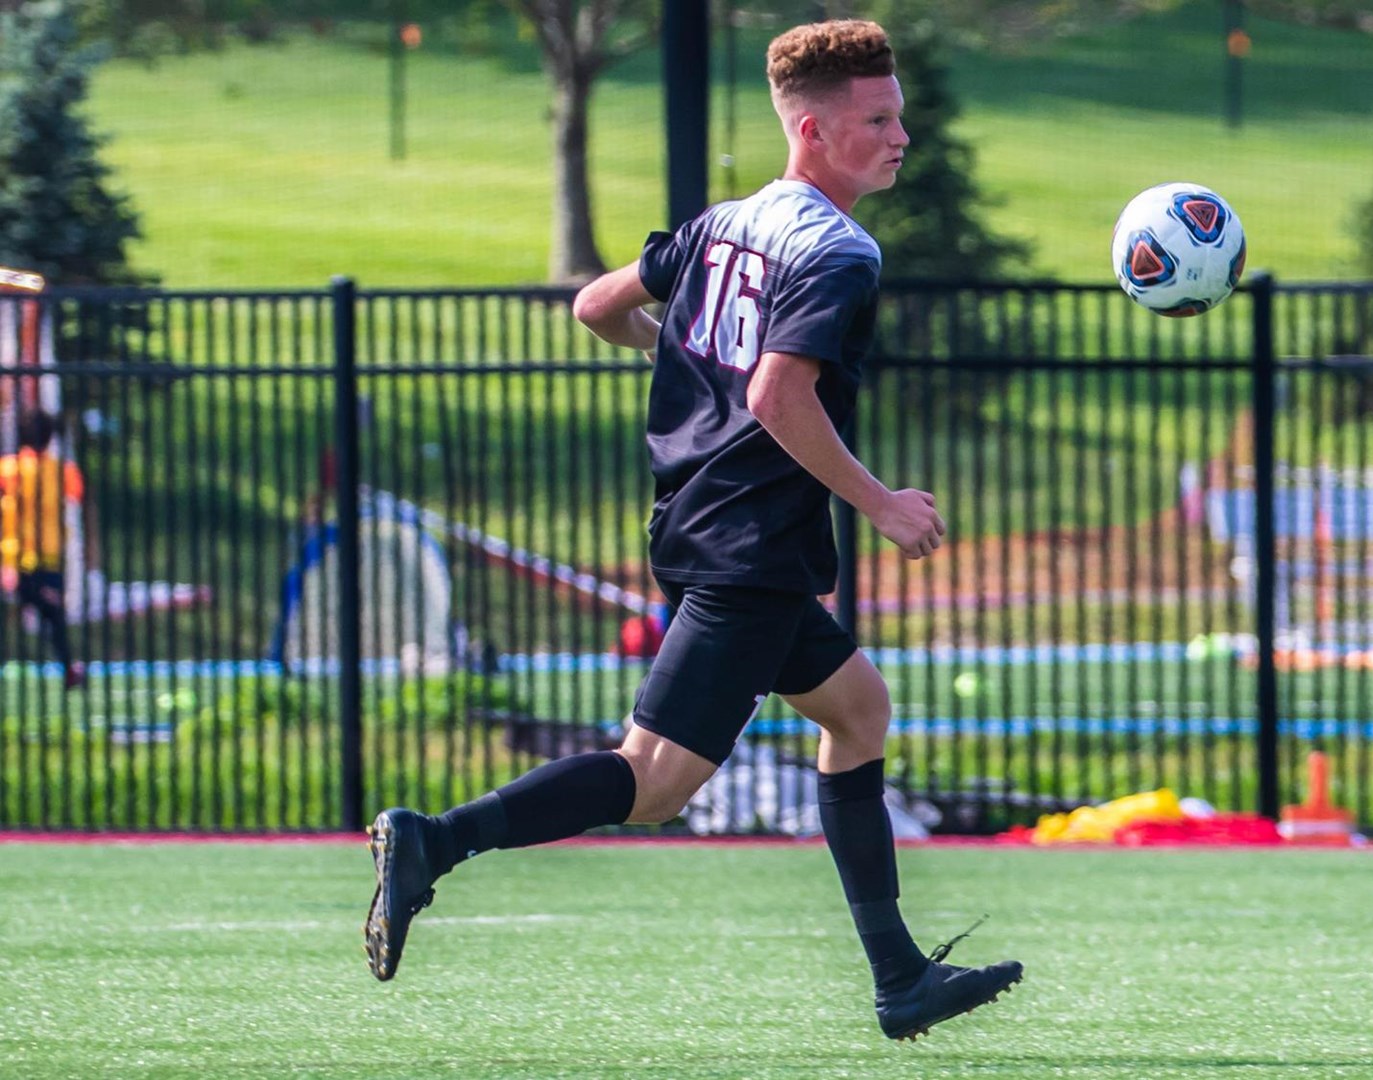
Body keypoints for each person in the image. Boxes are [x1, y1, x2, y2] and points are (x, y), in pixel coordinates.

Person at [361, 19, 1023, 1041]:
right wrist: (882, 503)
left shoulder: (725, 223)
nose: (900, 136)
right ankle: (433, 840)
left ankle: (900, 978)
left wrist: (684, 356)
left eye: (899, 116)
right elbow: (777, 395)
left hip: (704, 527)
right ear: (811, 130)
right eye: (877, 120)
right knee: (654, 784)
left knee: (858, 712)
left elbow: (596, 306)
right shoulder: (838, 251)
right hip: (747, 548)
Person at [0, 407, 85, 690]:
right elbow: (76, 495)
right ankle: (68, 668)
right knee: (54, 617)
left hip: (14, 558)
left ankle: (68, 668)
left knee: (46, 613)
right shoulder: (64, 471)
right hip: (49, 558)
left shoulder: (8, 470)